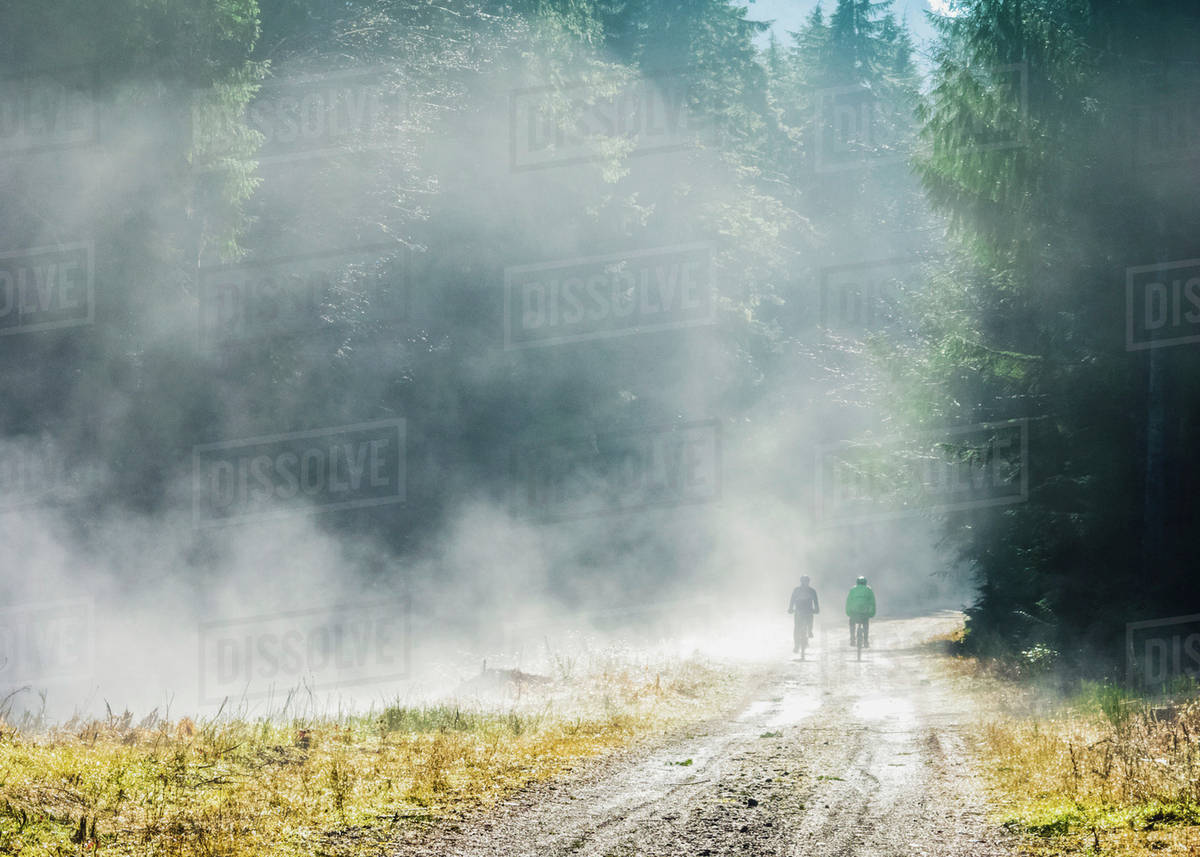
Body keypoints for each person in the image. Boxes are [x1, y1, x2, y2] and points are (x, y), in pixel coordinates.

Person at [788, 575, 820, 653]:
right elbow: (792, 600)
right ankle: (797, 644)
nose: (805, 583)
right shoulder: (811, 590)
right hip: (802, 611)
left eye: (806, 581)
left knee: (799, 627)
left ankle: (809, 631)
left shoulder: (798, 590)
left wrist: (791, 609)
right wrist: (790, 608)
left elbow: (815, 602)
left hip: (803, 611)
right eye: (804, 581)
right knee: (797, 627)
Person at [845, 576, 876, 648]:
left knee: (852, 623)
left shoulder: (852, 590)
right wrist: (871, 614)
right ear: (865, 582)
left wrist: (848, 612)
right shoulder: (869, 590)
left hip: (854, 613)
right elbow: (872, 603)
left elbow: (848, 602)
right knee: (866, 624)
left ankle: (852, 639)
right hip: (864, 613)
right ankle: (865, 641)